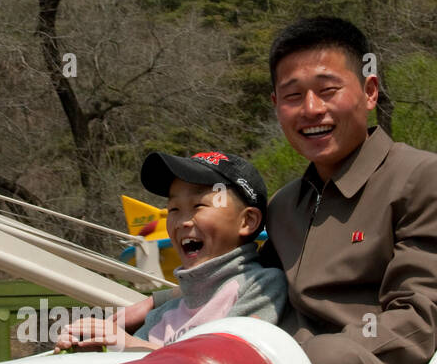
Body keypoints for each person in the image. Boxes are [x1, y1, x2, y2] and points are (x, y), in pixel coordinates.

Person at [259, 17, 437, 364]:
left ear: (370, 92)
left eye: (327, 90)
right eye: (292, 96)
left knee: (331, 362)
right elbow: (245, 290)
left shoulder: (425, 178)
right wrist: (143, 319)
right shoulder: (285, 206)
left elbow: (422, 320)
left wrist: (300, 359)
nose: (311, 109)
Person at [58, 150, 286, 350]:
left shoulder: (260, 286)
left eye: (199, 206)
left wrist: (132, 345)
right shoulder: (162, 315)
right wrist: (96, 352)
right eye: (173, 209)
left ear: (247, 221)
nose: (181, 222)